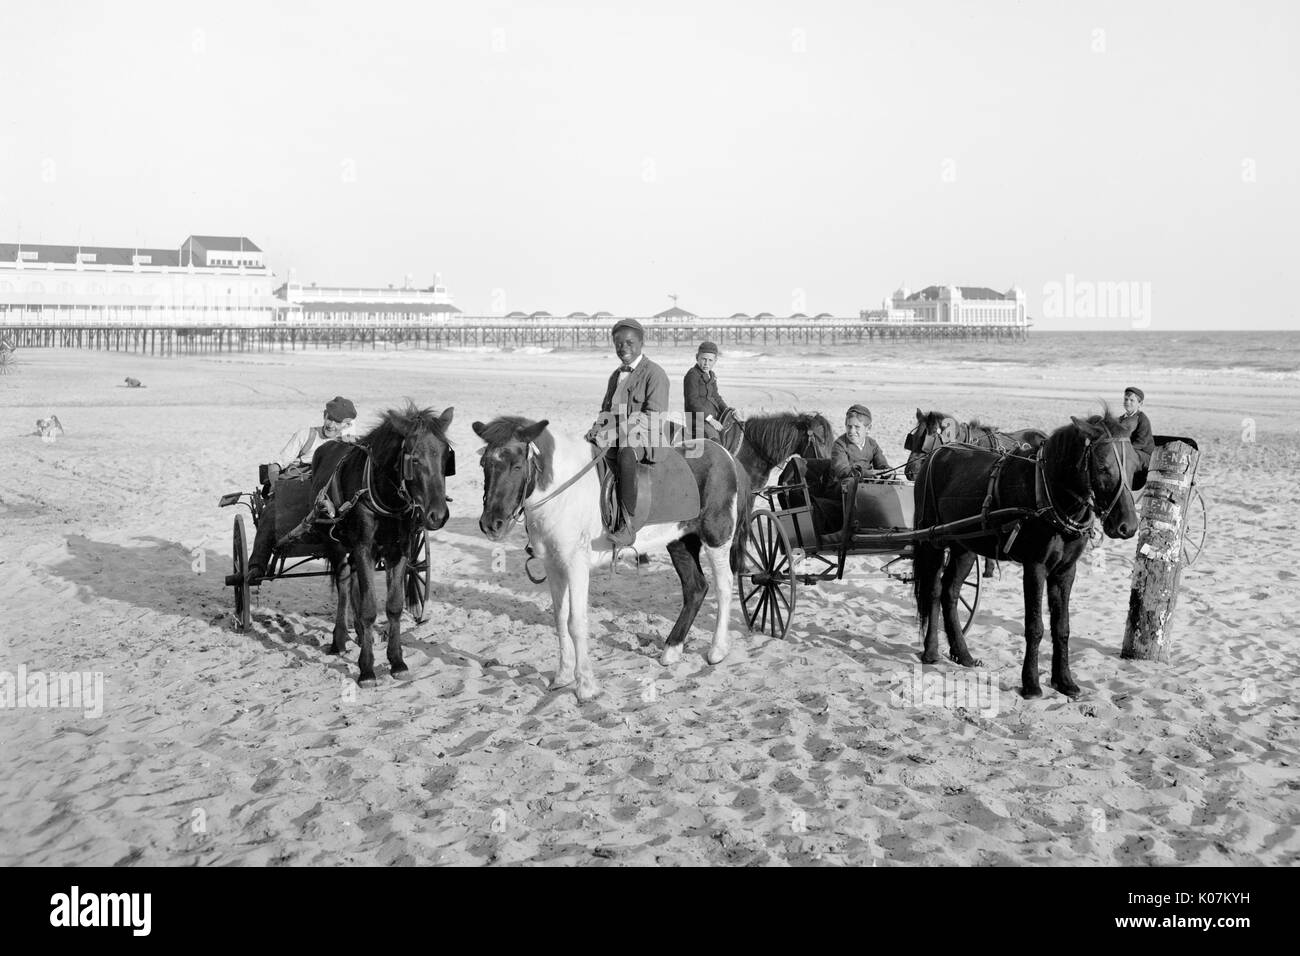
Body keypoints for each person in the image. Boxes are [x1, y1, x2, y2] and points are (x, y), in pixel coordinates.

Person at [247, 396, 359, 582]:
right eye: (329, 418)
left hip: (330, 495)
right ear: (324, 415)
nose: (331, 425)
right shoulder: (306, 436)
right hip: (299, 488)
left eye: (337, 422)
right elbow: (276, 465)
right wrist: (276, 489)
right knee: (271, 513)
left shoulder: (348, 442)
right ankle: (257, 565)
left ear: (346, 424)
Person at [585, 318, 670, 548]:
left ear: (641, 343)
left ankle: (627, 524)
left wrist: (617, 432)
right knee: (586, 449)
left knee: (625, 455)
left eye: (629, 343)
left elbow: (654, 415)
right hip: (616, 431)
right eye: (618, 344)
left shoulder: (655, 374)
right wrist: (596, 430)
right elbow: (606, 411)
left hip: (646, 436)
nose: (623, 348)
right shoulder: (616, 375)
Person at [683, 341, 734, 441]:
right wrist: (711, 420)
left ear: (715, 360)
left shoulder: (712, 375)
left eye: (710, 360)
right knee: (715, 442)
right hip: (698, 421)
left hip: (713, 417)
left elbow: (716, 397)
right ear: (697, 357)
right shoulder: (692, 375)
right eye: (704, 359)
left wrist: (728, 411)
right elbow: (692, 402)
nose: (706, 363)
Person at [830, 404, 890, 481]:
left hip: (867, 482)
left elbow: (882, 465)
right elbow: (842, 471)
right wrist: (865, 473)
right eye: (849, 426)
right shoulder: (839, 445)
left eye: (857, 427)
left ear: (868, 428)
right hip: (844, 484)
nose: (852, 431)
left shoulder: (872, 444)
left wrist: (888, 472)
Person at [1120, 386, 1155, 469]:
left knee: (1125, 457)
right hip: (1127, 450)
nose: (1127, 402)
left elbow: (1141, 442)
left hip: (1144, 455)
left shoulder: (1142, 419)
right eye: (1126, 399)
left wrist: (1123, 449)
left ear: (1140, 404)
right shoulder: (1120, 419)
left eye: (1132, 400)